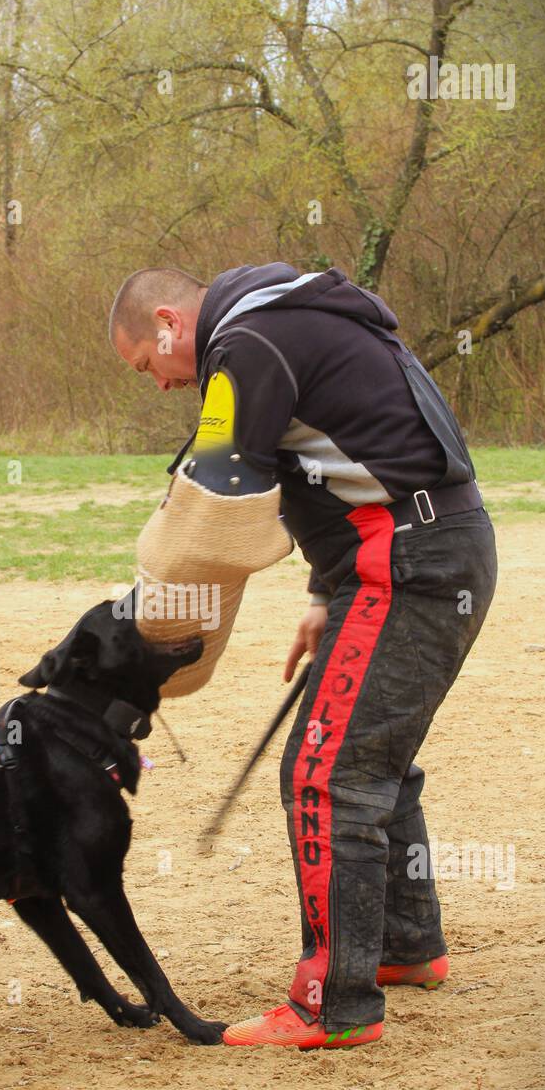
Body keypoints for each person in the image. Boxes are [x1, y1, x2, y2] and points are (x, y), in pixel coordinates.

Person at [109, 263, 497, 1050]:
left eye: (148, 367)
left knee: (328, 773)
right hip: (424, 549)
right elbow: (337, 458)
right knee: (374, 758)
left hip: (406, 564)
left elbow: (211, 490)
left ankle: (333, 1005)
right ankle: (402, 947)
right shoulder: (280, 323)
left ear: (167, 323)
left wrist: (138, 632)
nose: (157, 386)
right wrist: (326, 593)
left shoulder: (246, 346)